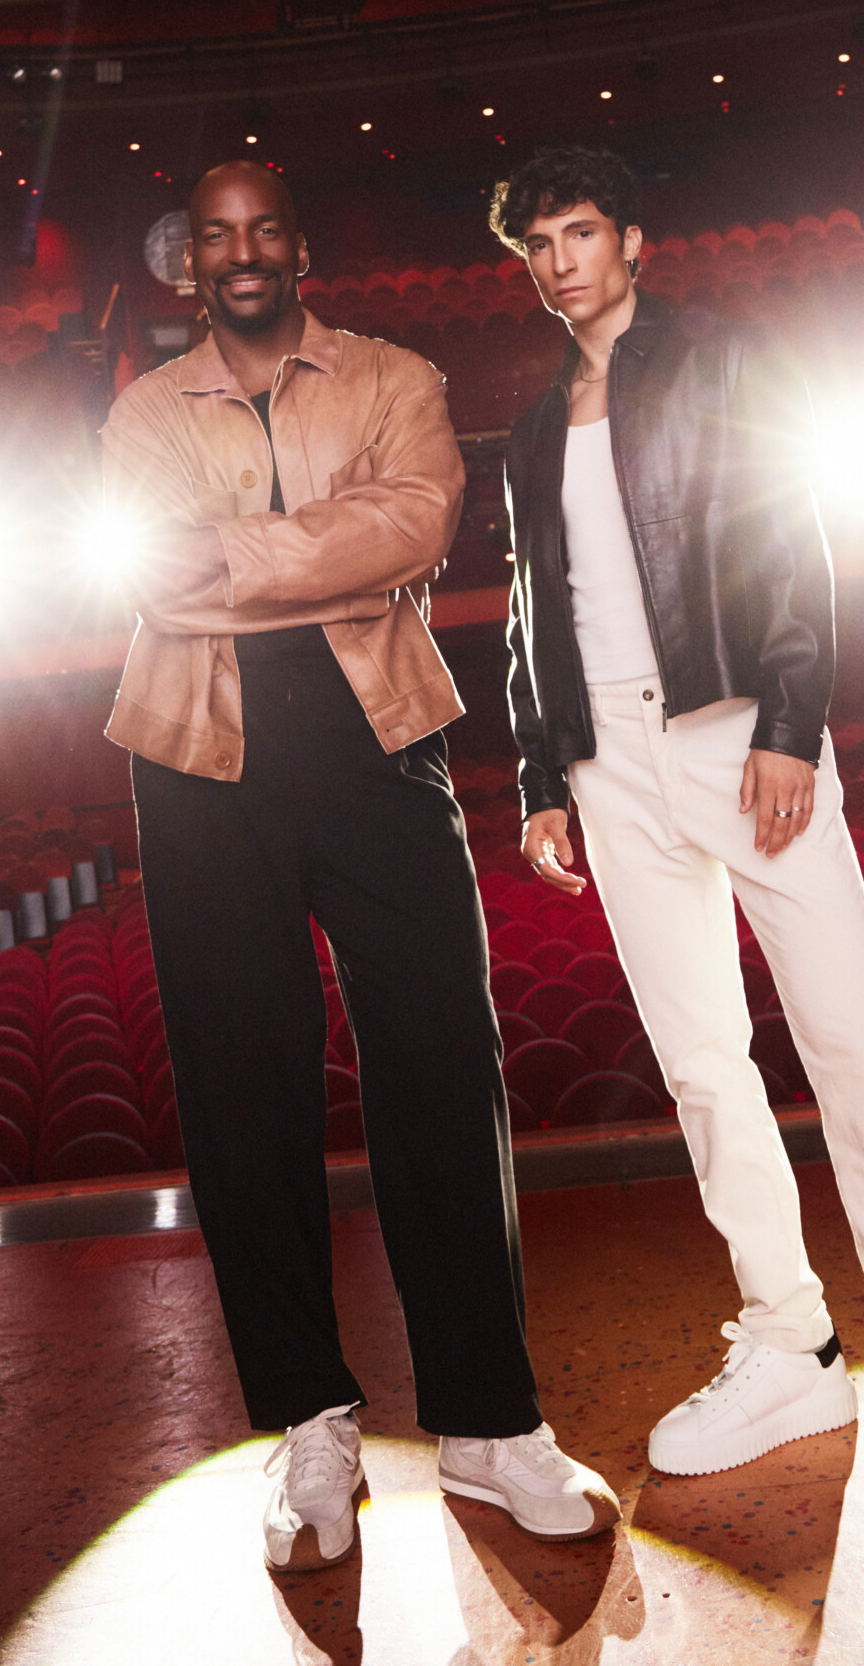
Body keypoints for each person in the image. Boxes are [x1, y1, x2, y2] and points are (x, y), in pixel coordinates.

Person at [492, 144, 864, 1558]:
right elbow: (534, 606)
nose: (564, 260)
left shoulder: (724, 357)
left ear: (630, 237)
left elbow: (790, 541)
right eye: (539, 244)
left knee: (848, 1039)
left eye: (581, 231)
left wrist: (792, 726)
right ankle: (792, 1346)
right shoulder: (525, 426)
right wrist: (540, 773)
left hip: (736, 724)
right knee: (701, 1065)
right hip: (608, 762)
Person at [101, 160, 618, 1574]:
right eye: (218, 236)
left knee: (443, 1065)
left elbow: (419, 525)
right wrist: (315, 558)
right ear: (189, 264)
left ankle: (489, 1423)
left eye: (267, 227)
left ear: (303, 247)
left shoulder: (393, 373)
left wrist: (237, 559)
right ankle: (309, 1425)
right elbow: (150, 573)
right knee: (241, 1085)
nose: (244, 252)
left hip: (382, 741)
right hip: (195, 762)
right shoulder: (144, 411)